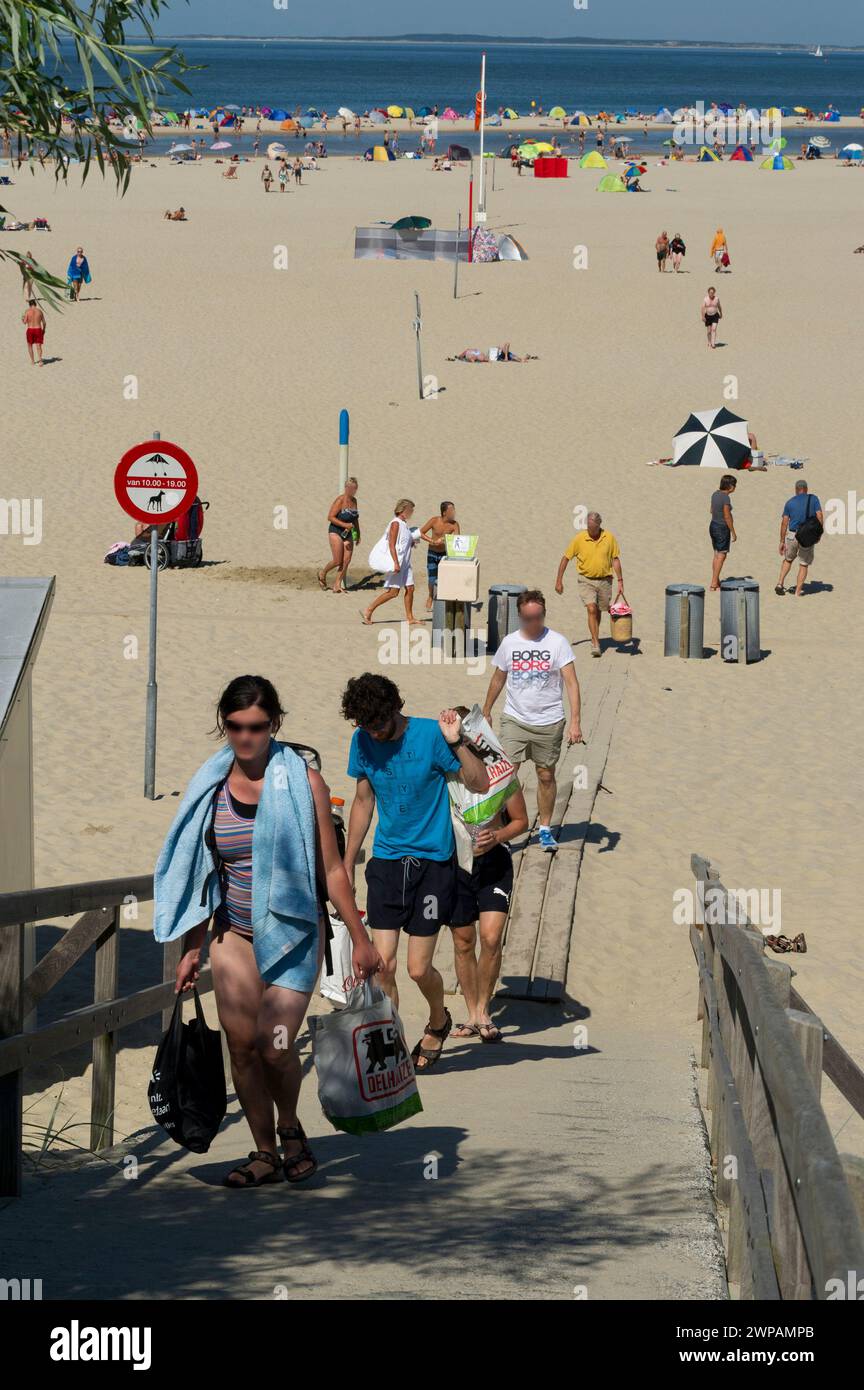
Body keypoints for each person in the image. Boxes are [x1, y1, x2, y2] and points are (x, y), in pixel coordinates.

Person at [154, 674, 381, 1189]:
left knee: (276, 1044)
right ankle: (263, 1151)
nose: (245, 737)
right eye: (234, 726)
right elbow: (205, 876)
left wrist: (360, 938)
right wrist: (192, 948)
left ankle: (291, 1129)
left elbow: (333, 868)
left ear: (274, 723)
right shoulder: (211, 789)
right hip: (232, 934)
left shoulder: (304, 781)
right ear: (224, 725)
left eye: (256, 727)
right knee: (241, 1048)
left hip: (295, 933)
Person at [341, 674, 490, 1071]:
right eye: (366, 726)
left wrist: (457, 741)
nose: (374, 732)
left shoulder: (430, 734)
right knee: (382, 965)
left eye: (379, 724)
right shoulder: (362, 740)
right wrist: (347, 863)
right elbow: (362, 801)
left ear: (396, 708)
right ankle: (393, 1049)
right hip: (387, 863)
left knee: (417, 968)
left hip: (432, 865)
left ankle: (439, 1020)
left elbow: (479, 782)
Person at [448, 708, 529, 1044]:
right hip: (458, 864)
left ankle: (484, 1011)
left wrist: (497, 836)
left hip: (495, 861)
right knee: (464, 941)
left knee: (491, 939)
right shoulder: (446, 772)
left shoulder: (501, 772)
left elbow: (521, 821)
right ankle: (470, 1014)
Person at [482, 590, 582, 853]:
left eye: (538, 617)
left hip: (549, 722)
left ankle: (546, 829)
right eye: (528, 618)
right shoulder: (510, 643)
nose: (533, 622)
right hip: (515, 719)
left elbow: (571, 683)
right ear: (520, 616)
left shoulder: (558, 643)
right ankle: (500, 830)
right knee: (505, 775)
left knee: (545, 775)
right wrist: (487, 709)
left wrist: (575, 722)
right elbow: (498, 678)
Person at [555, 512, 626, 658]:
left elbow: (615, 559)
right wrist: (559, 580)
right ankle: (595, 642)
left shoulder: (609, 538)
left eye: (593, 528)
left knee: (601, 609)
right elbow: (566, 558)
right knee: (591, 609)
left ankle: (595, 635)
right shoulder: (580, 538)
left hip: (605, 580)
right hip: (585, 580)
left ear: (599, 525)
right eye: (588, 527)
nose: (590, 531)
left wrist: (620, 581)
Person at [361, 498, 419, 626]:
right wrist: (395, 563)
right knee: (393, 592)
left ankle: (410, 618)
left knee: (410, 588)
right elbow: (392, 545)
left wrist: (411, 542)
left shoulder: (404, 524)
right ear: (403, 510)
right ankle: (369, 610)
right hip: (398, 562)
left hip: (406, 563)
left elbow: (402, 542)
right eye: (410, 510)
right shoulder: (395, 523)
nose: (412, 513)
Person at [776, 480, 823, 597]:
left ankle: (780, 583)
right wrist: (818, 534)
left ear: (796, 489)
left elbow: (784, 523)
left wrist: (782, 541)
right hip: (807, 535)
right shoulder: (814, 499)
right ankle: (797, 591)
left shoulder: (790, 502)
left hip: (792, 535)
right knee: (803, 564)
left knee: (788, 560)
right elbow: (820, 516)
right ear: (806, 489)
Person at [319, 477, 360, 593]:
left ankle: (337, 585)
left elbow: (355, 519)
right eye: (350, 488)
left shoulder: (354, 501)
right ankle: (323, 573)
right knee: (337, 560)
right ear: (346, 488)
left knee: (346, 560)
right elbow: (330, 517)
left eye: (355, 488)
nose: (352, 490)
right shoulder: (340, 500)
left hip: (348, 533)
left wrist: (358, 533)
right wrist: (345, 525)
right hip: (335, 531)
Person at [420, 500, 459, 610]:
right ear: (444, 512)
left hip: (444, 554)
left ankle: (442, 598)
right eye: (451, 510)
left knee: (444, 578)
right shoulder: (434, 521)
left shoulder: (454, 525)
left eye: (454, 509)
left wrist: (445, 540)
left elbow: (457, 540)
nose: (454, 512)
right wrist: (432, 541)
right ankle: (431, 596)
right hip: (432, 553)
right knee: (432, 578)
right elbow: (421, 533)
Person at [709, 474, 737, 590]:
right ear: (730, 486)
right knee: (722, 555)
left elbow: (711, 510)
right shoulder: (726, 498)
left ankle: (716, 580)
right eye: (734, 485)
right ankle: (714, 583)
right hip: (721, 528)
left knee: (716, 554)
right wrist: (733, 532)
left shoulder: (715, 494)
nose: (735, 487)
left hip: (713, 525)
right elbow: (727, 516)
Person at [22, 298, 46, 365]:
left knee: (30, 346)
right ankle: (40, 361)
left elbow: (24, 322)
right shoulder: (40, 311)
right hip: (38, 329)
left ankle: (32, 361)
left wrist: (22, 318)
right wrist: (44, 330)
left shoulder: (27, 311)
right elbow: (44, 323)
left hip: (30, 329)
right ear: (35, 304)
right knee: (38, 346)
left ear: (30, 305)